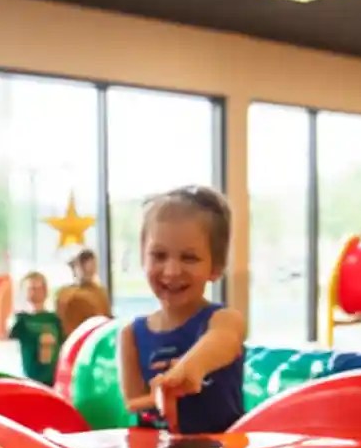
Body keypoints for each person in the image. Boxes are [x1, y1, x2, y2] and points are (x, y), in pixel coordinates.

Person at [118, 185, 246, 434]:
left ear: (216, 267)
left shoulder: (224, 320)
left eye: (189, 258)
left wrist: (189, 369)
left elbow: (224, 341)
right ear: (143, 259)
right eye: (159, 255)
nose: (172, 271)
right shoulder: (131, 334)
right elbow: (132, 402)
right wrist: (162, 394)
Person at [8, 271, 64, 386]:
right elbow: (9, 333)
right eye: (31, 288)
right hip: (30, 377)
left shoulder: (54, 319)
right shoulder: (22, 319)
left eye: (39, 288)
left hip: (52, 377)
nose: (36, 292)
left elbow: (62, 343)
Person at [55, 247, 112, 339]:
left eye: (92, 268)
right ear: (75, 268)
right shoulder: (65, 295)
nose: (89, 272)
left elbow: (107, 317)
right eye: (84, 268)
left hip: (98, 338)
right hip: (76, 340)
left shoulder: (100, 292)